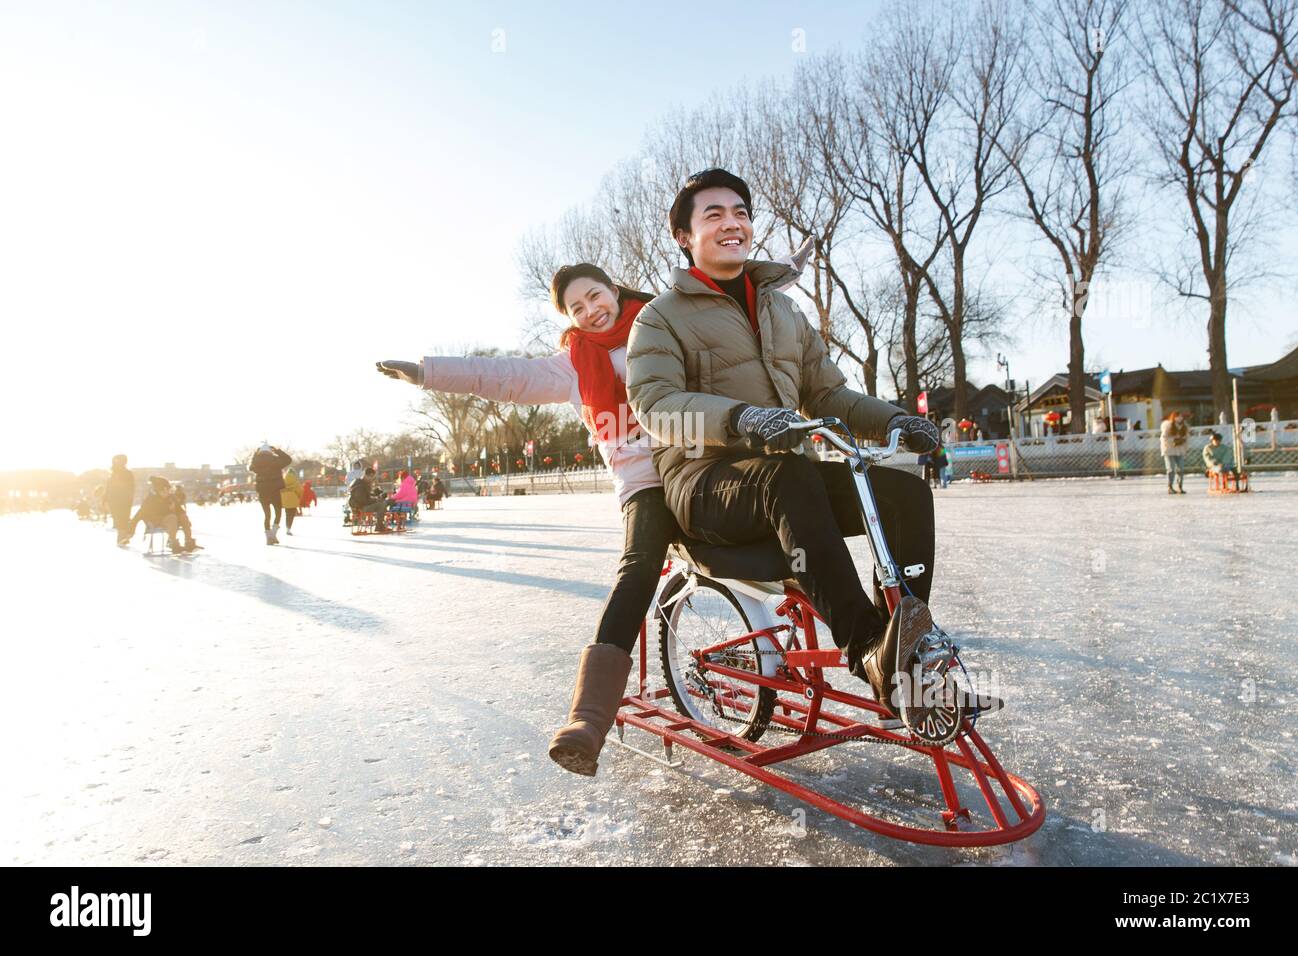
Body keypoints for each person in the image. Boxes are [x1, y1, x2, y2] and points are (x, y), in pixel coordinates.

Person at [377, 238, 814, 777]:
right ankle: (588, 719)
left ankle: (868, 647)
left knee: (791, 525)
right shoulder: (572, 367)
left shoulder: (664, 324)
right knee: (637, 570)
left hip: (704, 467)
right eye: (576, 309)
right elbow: (504, 378)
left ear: (613, 288)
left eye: (594, 296)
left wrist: (780, 273)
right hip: (645, 484)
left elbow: (730, 306)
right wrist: (426, 372)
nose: (591, 311)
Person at [625, 167, 951, 724]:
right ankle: (869, 649)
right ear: (685, 236)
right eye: (715, 215)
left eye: (741, 213)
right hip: (705, 483)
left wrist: (898, 421)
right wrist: (741, 418)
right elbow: (656, 406)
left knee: (901, 491)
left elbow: (827, 394)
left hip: (780, 473)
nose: (733, 224)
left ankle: (907, 643)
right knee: (791, 478)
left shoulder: (783, 311)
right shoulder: (660, 319)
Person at [129, 476, 197, 553]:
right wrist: (131, 530)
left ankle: (188, 541)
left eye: (168, 489)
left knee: (182, 516)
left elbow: (180, 510)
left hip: (171, 521)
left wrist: (180, 513)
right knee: (172, 517)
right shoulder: (150, 500)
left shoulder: (171, 497)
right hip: (155, 522)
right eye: (164, 490)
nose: (166, 492)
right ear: (158, 490)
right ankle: (173, 542)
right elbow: (139, 515)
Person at [249, 443, 292, 543]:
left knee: (267, 515)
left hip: (263, 492)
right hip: (275, 491)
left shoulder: (256, 463)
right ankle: (273, 533)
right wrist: (277, 450)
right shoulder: (276, 461)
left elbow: (251, 466)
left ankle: (269, 536)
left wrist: (256, 453)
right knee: (278, 513)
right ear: (270, 451)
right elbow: (288, 460)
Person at [348, 466, 392, 532]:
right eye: (372, 477)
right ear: (366, 475)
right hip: (360, 507)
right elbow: (363, 500)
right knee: (381, 505)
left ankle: (380, 525)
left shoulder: (362, 483)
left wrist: (376, 494)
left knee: (382, 502)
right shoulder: (360, 485)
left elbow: (366, 496)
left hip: (361, 505)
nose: (372, 479)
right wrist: (376, 499)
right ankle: (379, 526)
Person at [106, 454, 135, 546]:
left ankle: (122, 537)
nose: (117, 462)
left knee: (123, 518)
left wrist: (129, 498)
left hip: (123, 500)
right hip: (115, 500)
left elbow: (131, 487)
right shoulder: (113, 473)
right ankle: (122, 537)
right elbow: (109, 488)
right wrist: (106, 499)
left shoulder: (126, 473)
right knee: (120, 519)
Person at [1159, 411, 1189, 495]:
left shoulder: (1185, 426)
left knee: (1181, 469)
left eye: (1181, 416)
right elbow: (1164, 438)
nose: (1179, 418)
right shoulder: (1168, 425)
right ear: (1173, 417)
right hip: (1169, 450)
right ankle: (1170, 487)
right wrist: (1174, 441)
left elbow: (1187, 438)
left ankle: (1180, 487)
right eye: (1177, 416)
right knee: (1171, 469)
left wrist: (1184, 445)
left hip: (1180, 450)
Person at [281, 468, 303, 535]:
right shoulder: (295, 481)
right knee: (291, 515)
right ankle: (288, 528)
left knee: (287, 514)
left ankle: (287, 527)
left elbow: (279, 489)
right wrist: (298, 497)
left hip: (284, 499)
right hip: (293, 499)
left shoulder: (283, 480)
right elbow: (300, 490)